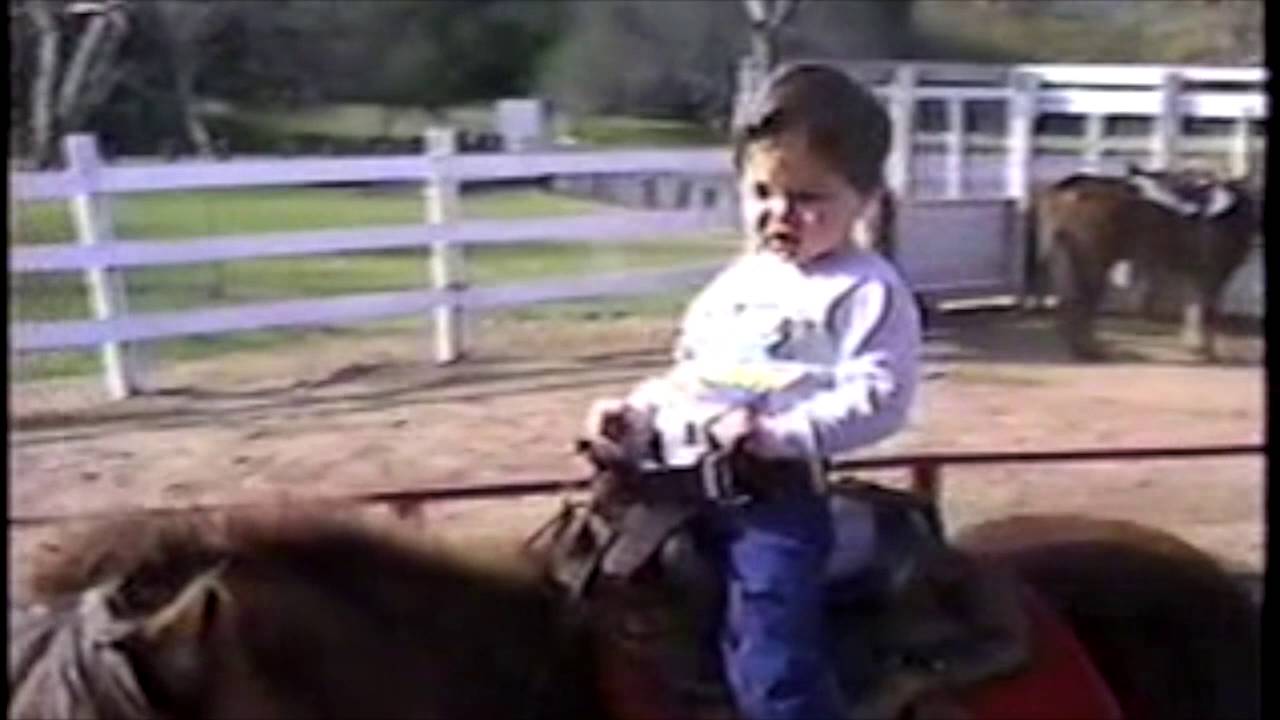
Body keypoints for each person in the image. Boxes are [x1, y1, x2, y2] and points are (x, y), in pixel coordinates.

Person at [584, 62, 922, 720]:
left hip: (774, 502)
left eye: (808, 198)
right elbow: (690, 377)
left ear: (866, 198)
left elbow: (879, 397)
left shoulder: (865, 290)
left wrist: (778, 436)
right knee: (582, 581)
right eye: (763, 192)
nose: (780, 213)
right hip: (677, 483)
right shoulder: (737, 284)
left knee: (772, 651)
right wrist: (635, 417)